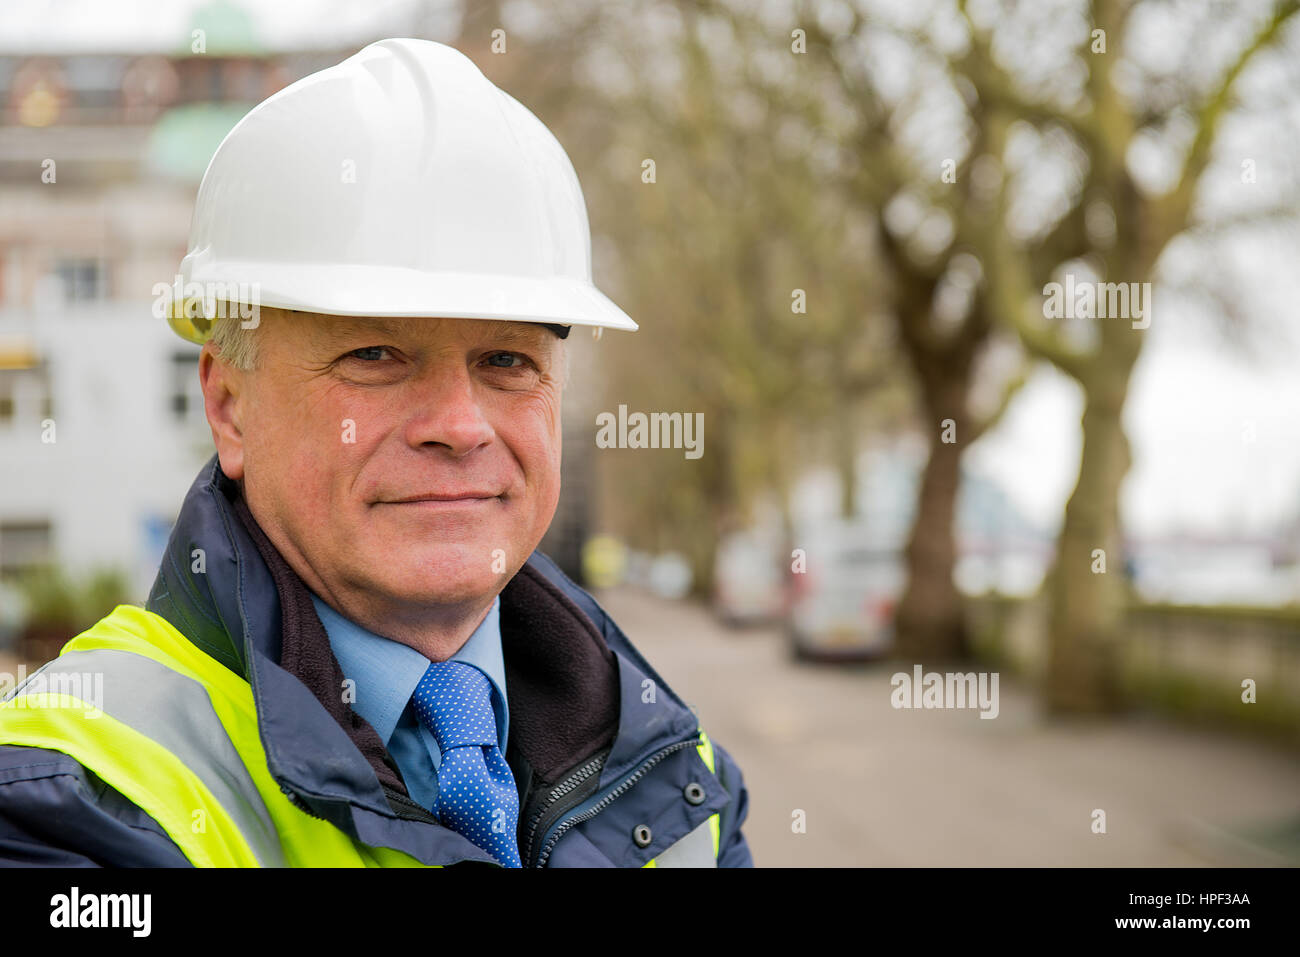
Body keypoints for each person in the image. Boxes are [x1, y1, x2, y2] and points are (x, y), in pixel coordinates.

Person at [0, 38, 752, 868]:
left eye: (507, 361)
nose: (460, 426)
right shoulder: (69, 797)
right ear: (229, 404)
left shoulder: (677, 776)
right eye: (374, 356)